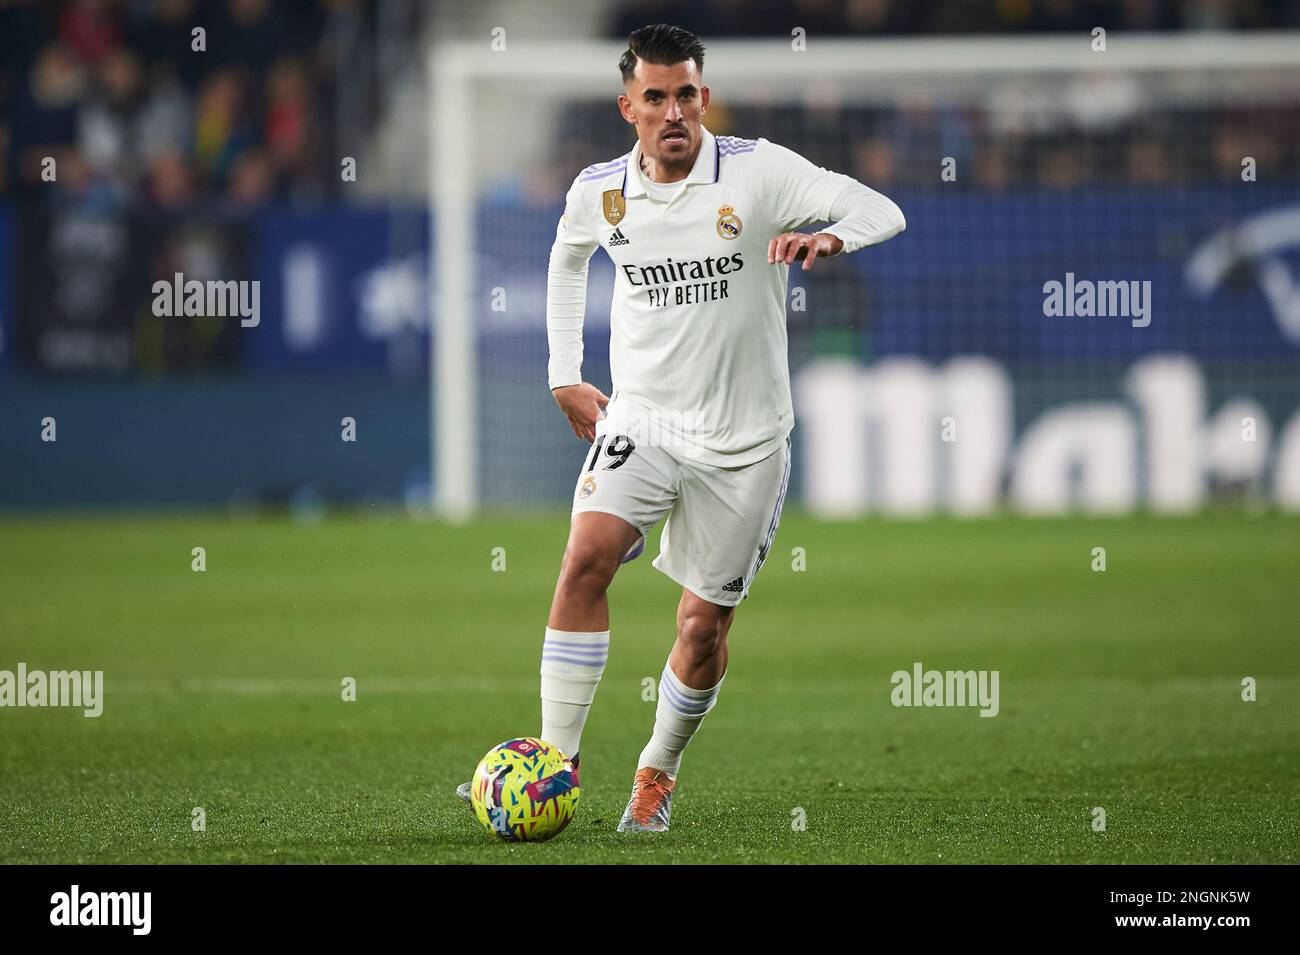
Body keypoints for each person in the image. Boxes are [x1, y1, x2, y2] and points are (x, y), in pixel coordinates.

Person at [459, 22, 905, 833]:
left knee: (701, 630)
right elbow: (567, 258)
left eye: (687, 94)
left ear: (704, 97)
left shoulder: (758, 171)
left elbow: (881, 205)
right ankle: (555, 763)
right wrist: (565, 372)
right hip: (645, 418)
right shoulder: (600, 190)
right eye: (656, 97)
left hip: (745, 441)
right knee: (585, 559)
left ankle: (656, 772)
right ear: (628, 106)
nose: (674, 111)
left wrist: (832, 234)